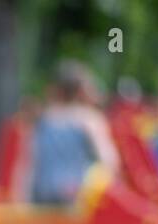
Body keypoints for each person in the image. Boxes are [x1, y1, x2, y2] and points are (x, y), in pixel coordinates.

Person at [24, 61, 120, 206]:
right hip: (74, 196)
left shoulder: (44, 119)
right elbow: (109, 160)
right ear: (81, 90)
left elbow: (29, 161)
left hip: (42, 195)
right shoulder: (89, 119)